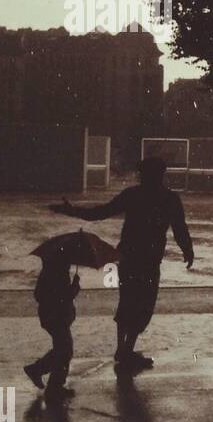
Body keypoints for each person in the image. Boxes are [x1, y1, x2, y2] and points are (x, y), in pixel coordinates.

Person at [52, 157, 194, 371]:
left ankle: (122, 348)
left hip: (127, 256)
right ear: (162, 174)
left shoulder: (133, 195)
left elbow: (101, 212)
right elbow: (180, 228)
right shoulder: (170, 199)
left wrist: (72, 210)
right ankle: (126, 349)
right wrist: (187, 249)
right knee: (144, 304)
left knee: (127, 301)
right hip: (150, 259)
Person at [23, 256, 80, 399]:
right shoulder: (58, 274)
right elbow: (63, 297)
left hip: (52, 317)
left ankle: (49, 379)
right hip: (57, 317)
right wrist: (74, 288)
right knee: (64, 350)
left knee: (62, 349)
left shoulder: (49, 272)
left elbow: (39, 294)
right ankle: (50, 382)